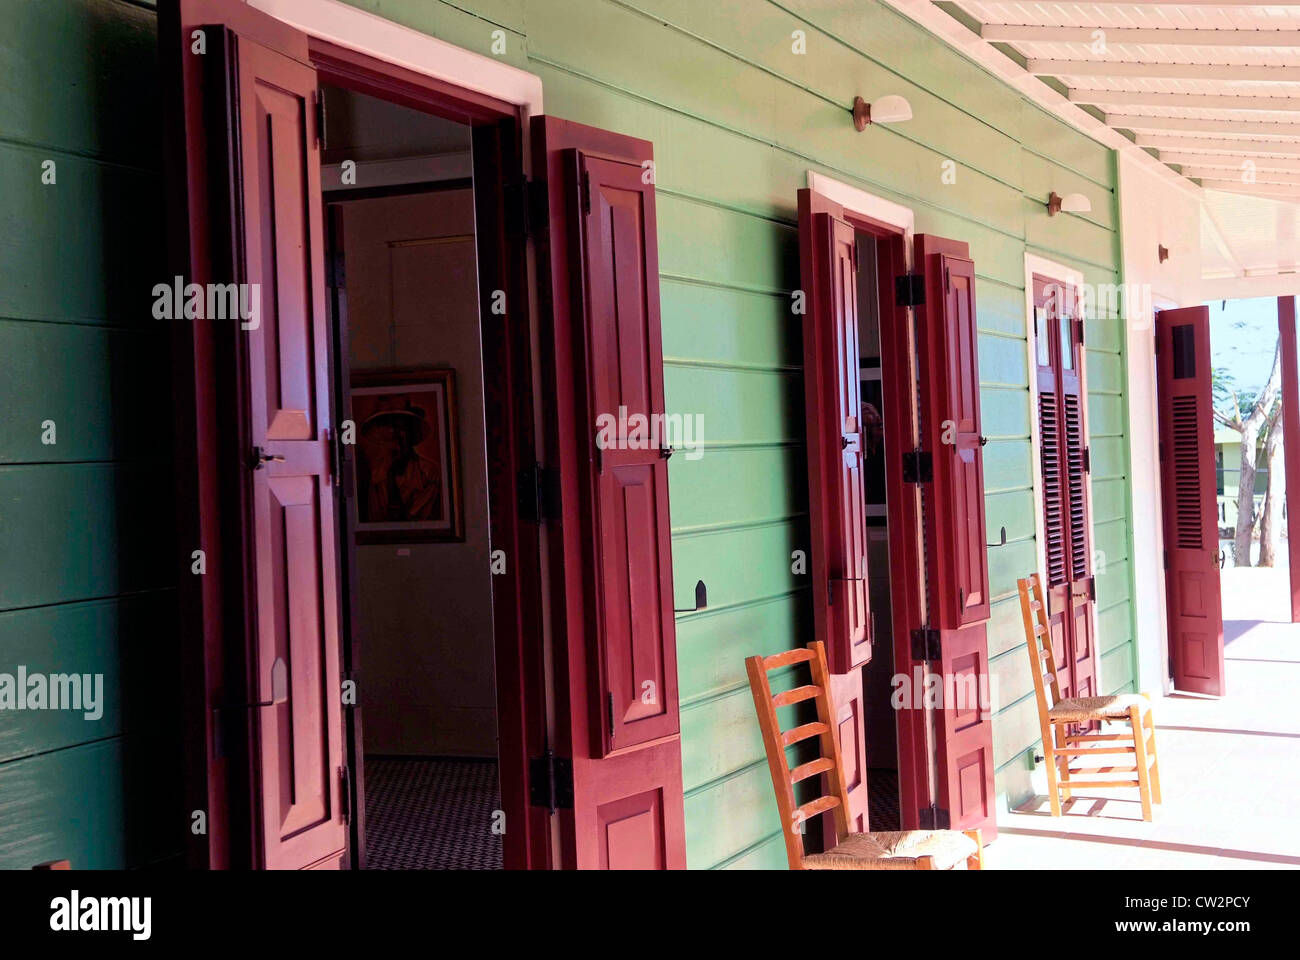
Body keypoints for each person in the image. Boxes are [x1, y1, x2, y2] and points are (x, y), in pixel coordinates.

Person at [357, 396, 442, 522]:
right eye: (388, 427)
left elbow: (419, 521)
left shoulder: (429, 472)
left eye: (400, 428)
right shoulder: (375, 472)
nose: (394, 434)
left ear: (411, 433)